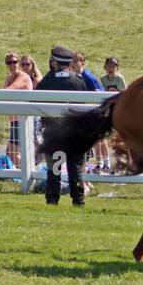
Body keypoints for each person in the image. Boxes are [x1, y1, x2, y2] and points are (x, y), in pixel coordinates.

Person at [37, 47, 88, 205]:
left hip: (55, 133)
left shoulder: (49, 79)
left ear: (55, 62)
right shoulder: (78, 80)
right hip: (73, 132)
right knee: (75, 169)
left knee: (55, 169)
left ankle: (52, 199)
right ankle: (78, 200)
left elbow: (36, 97)